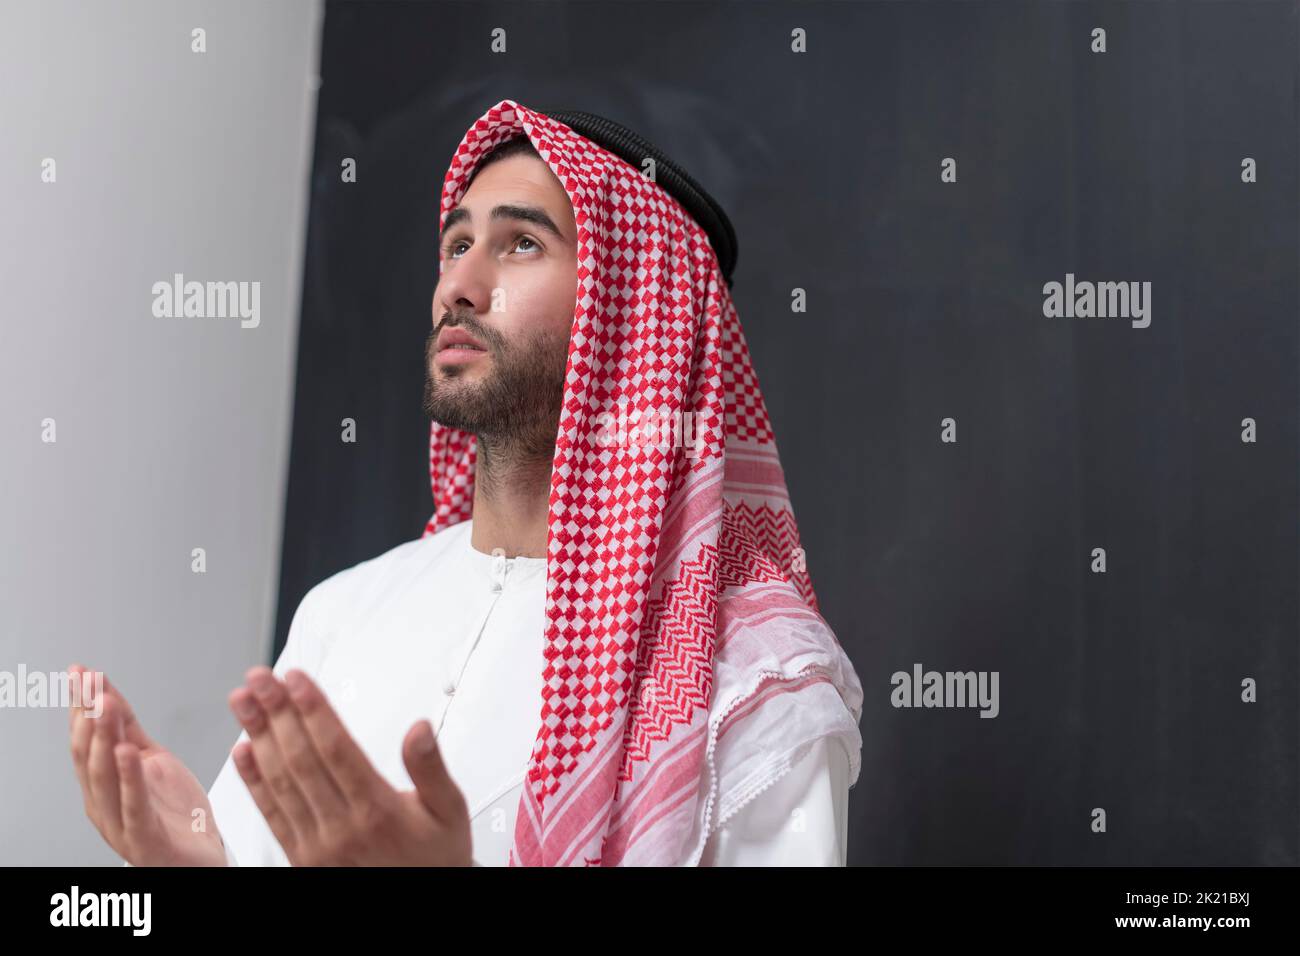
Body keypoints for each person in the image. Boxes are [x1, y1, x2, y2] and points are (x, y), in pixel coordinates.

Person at [69, 99, 864, 866]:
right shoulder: (343, 614)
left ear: (630, 310)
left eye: (520, 244)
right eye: (456, 245)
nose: (460, 285)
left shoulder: (758, 681)